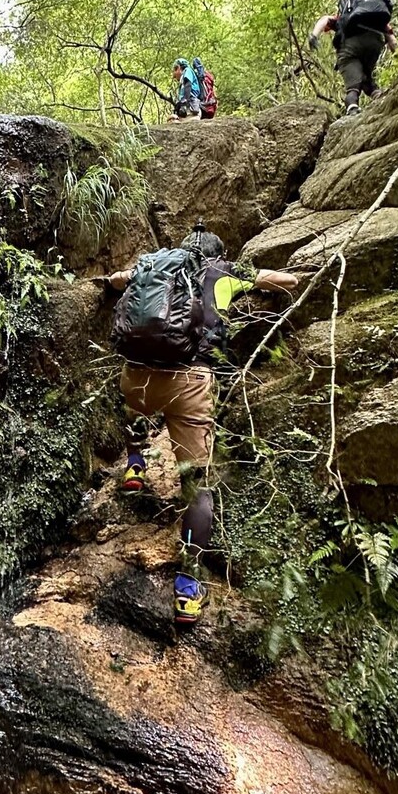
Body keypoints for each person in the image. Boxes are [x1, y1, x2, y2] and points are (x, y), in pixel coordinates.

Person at [103, 225, 299, 626]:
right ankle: (188, 588)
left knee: (135, 407)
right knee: (197, 487)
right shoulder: (224, 271)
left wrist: (111, 280)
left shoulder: (155, 265)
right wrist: (287, 277)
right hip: (189, 382)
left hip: (136, 377)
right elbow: (283, 281)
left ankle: (136, 467)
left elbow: (117, 281)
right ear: (217, 253)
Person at [309, 0, 398, 116]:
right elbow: (392, 40)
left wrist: (314, 36)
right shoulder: (376, 18)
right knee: (365, 77)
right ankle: (378, 96)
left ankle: (352, 107)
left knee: (353, 86)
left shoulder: (344, 18)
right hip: (374, 45)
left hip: (350, 48)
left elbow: (325, 19)